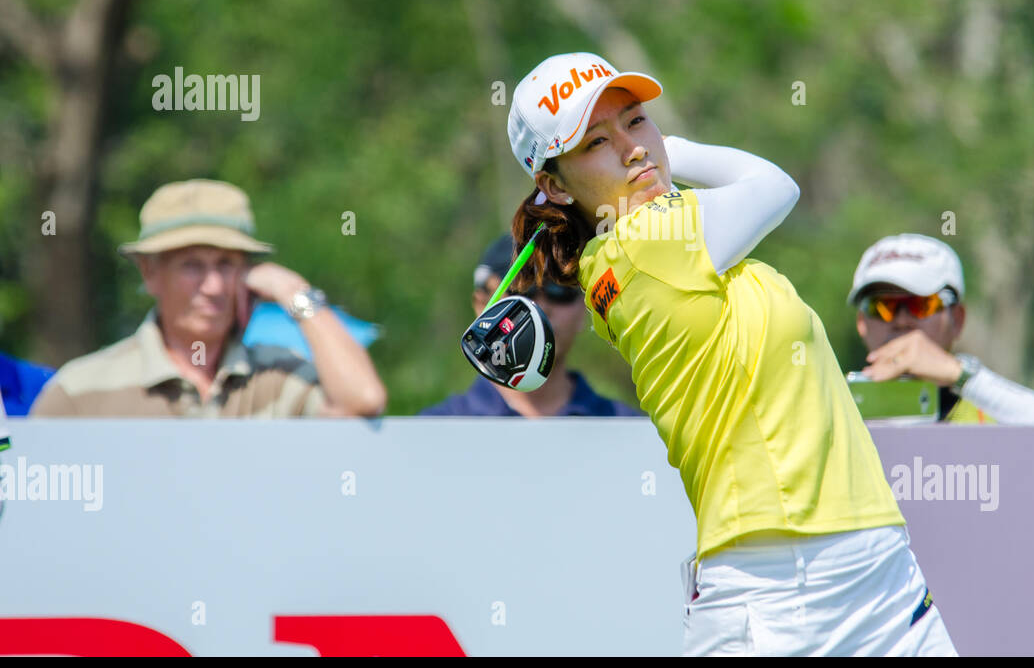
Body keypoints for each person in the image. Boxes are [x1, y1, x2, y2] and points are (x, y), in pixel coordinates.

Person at [504, 50, 956, 656]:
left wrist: (646, 158)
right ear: (554, 186)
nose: (633, 147)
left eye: (637, 120)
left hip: (877, 567)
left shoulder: (640, 252)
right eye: (595, 143)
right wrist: (669, 154)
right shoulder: (646, 241)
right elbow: (776, 185)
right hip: (777, 590)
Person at [29, 179, 387, 418]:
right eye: (192, 266)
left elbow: (365, 399)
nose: (214, 286)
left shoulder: (278, 378)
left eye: (227, 264)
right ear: (150, 272)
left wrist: (293, 291)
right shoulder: (81, 391)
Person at [849, 234, 1034, 425]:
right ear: (862, 322)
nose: (901, 320)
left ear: (958, 319)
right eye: (882, 307)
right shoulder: (835, 405)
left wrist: (963, 377)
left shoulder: (988, 408)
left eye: (920, 305)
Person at [419, 232, 642, 417]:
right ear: (482, 305)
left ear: (587, 309)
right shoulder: (433, 433)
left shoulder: (634, 431)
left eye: (561, 290)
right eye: (523, 289)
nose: (541, 306)